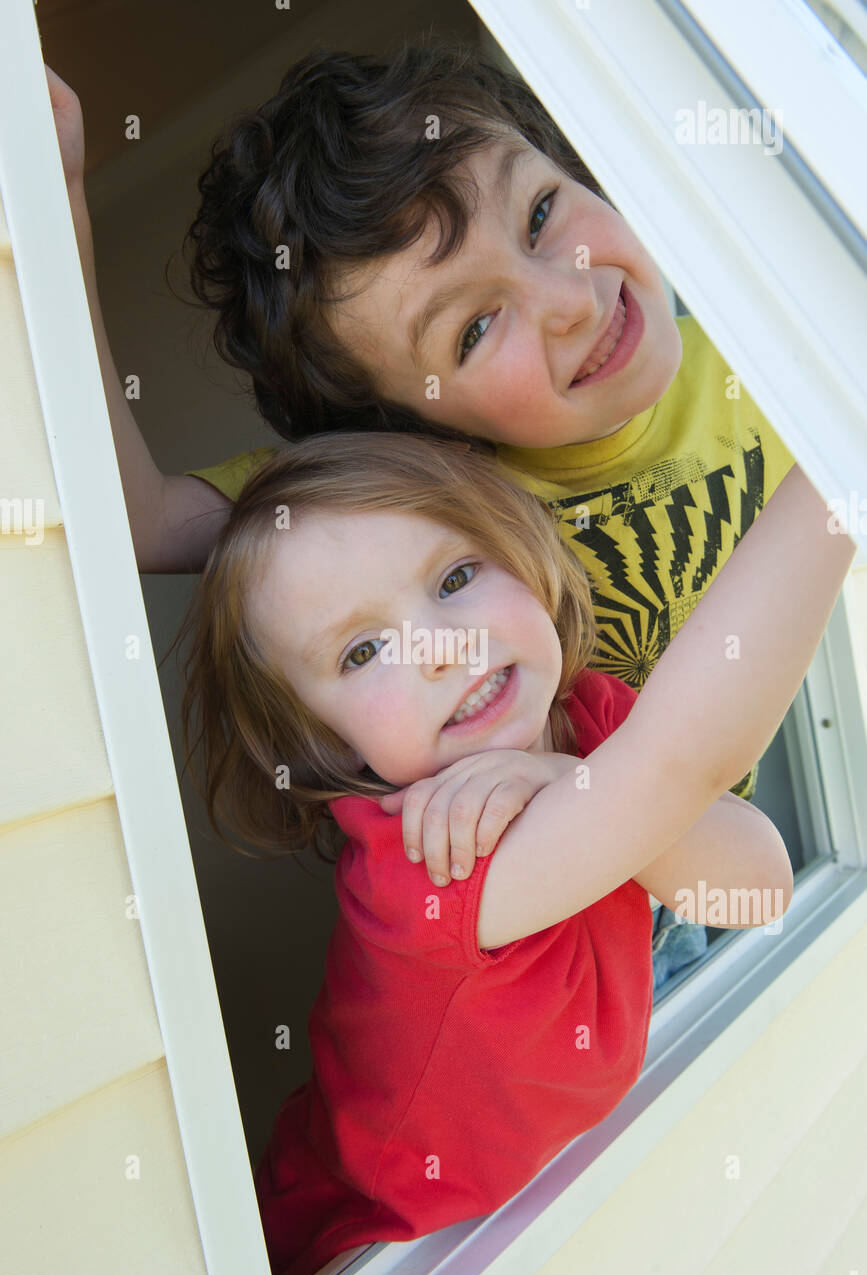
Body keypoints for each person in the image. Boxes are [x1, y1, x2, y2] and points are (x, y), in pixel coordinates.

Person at [41, 40, 800, 980]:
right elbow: (139, 523)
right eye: (475, 328)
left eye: (539, 212)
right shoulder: (416, 501)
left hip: (730, 867)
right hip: (564, 944)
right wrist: (52, 208)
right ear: (405, 432)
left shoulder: (780, 358)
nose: (566, 298)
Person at [177, 428, 852, 1275]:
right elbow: (680, 763)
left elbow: (754, 886)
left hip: (520, 1211)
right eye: (362, 651)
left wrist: (565, 778)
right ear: (323, 747)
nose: (440, 648)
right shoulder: (424, 855)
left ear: (526, 556)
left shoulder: (586, 720)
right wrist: (839, 451)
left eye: (456, 579)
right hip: (370, 1257)